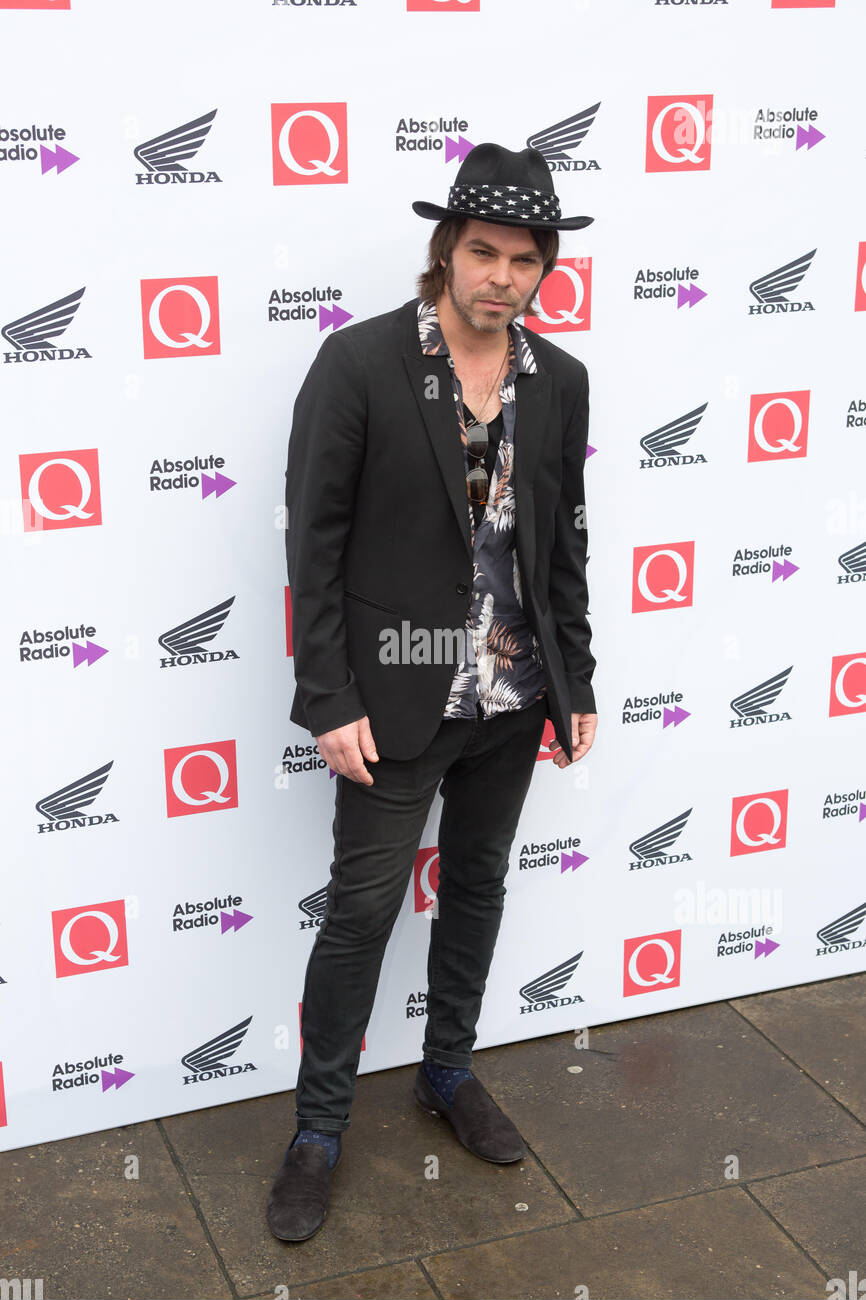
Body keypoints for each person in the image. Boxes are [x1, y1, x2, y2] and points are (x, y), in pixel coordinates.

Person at [269, 143, 598, 1242]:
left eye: (521, 259)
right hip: (394, 700)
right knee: (361, 908)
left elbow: (560, 545)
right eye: (480, 252)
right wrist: (327, 695)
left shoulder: (559, 383)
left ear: (543, 269)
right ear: (444, 253)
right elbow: (312, 548)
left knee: (478, 886)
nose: (500, 275)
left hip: (511, 698)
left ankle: (445, 1070)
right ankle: (318, 1128)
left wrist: (575, 678)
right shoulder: (358, 365)